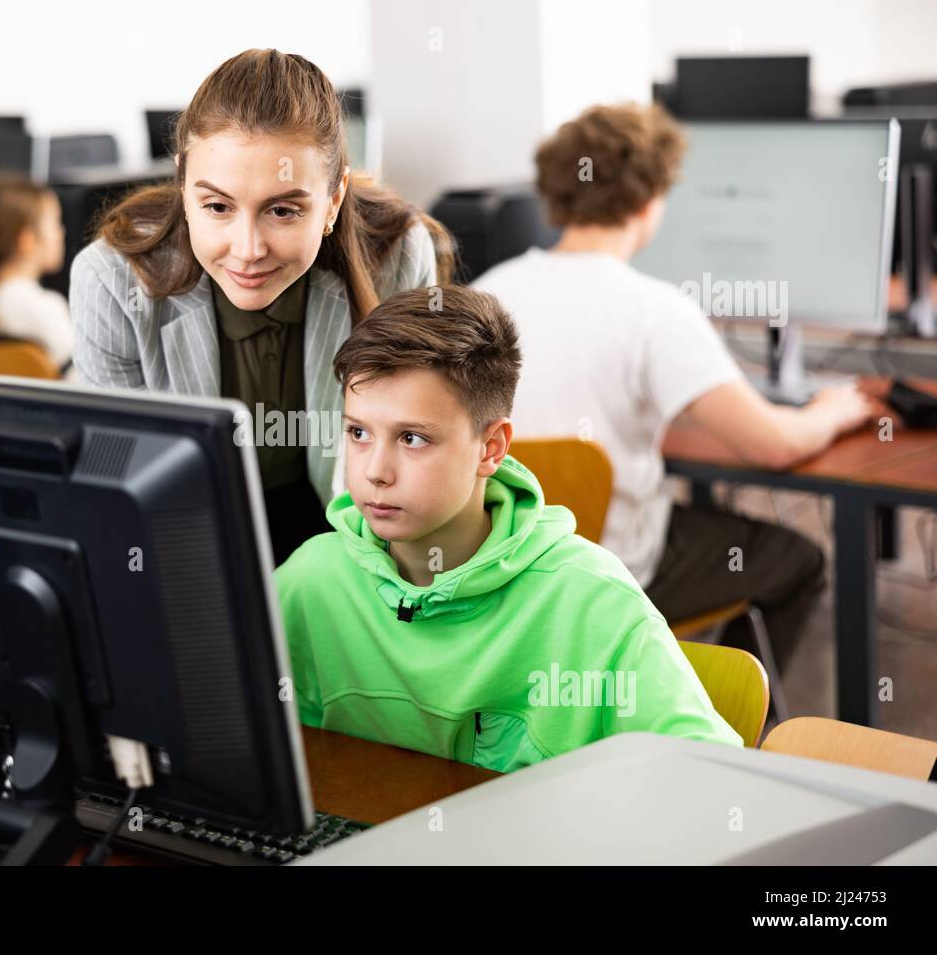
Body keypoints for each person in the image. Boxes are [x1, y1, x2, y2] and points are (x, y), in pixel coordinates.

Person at [472, 103, 876, 673]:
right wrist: (831, 412)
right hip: (606, 572)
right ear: (647, 202)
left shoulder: (485, 294)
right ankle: (718, 719)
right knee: (798, 558)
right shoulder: (656, 310)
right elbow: (775, 446)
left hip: (498, 572)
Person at [274, 286, 741, 771]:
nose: (375, 470)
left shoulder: (592, 601)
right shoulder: (311, 582)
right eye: (358, 433)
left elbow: (708, 778)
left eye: (412, 438)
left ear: (491, 448)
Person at [71, 48, 454, 565]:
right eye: (217, 206)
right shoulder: (113, 281)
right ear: (183, 186)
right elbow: (122, 490)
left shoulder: (397, 255)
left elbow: (409, 458)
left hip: (351, 534)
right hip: (185, 538)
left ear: (334, 201)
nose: (248, 248)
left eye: (282, 210)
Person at [0, 175, 76, 380]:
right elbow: (87, 385)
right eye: (56, 223)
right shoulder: (47, 309)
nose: (62, 232)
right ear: (28, 241)